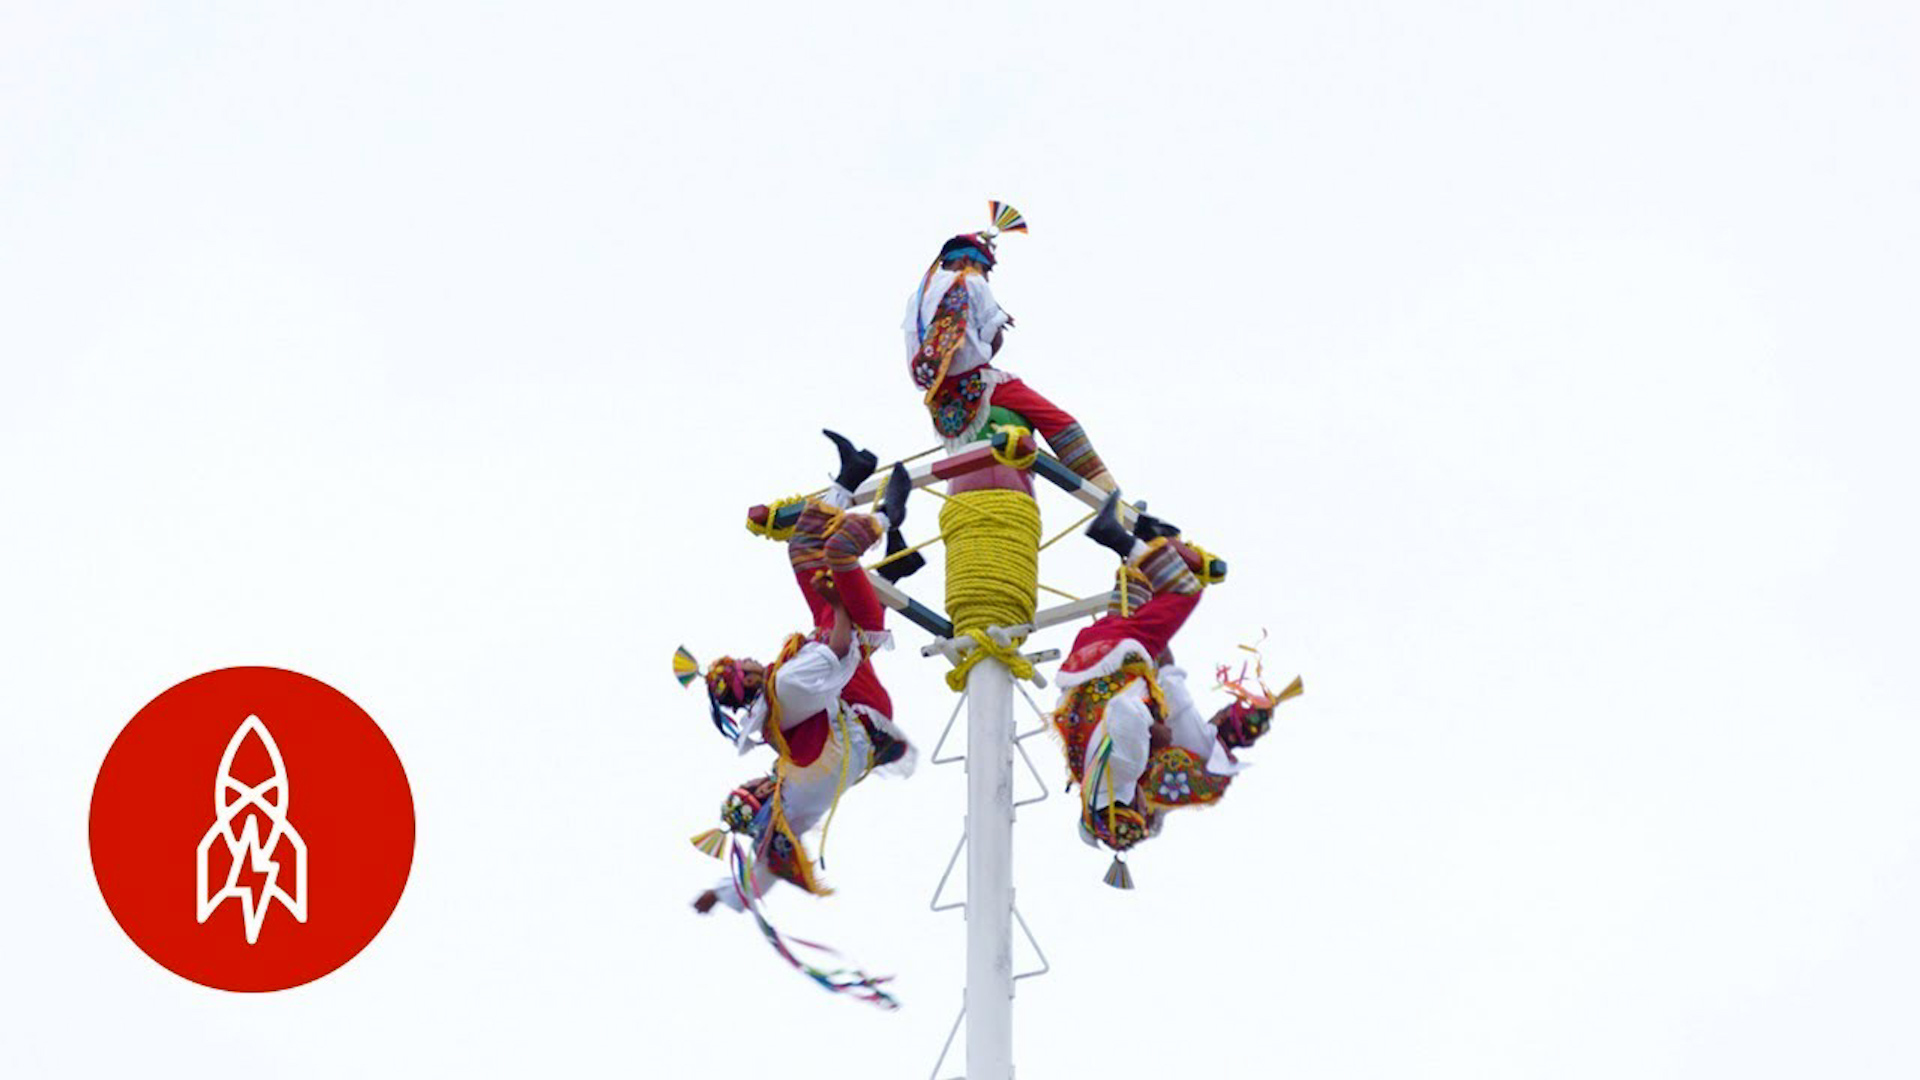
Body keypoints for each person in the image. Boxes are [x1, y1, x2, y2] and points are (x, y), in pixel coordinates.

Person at [684, 433, 917, 913]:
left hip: (839, 675)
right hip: (854, 677)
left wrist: (723, 894)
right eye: (742, 666)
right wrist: (838, 603)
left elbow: (760, 868)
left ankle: (853, 475)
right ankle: (889, 517)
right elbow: (840, 646)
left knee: (803, 547)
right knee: (838, 556)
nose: (749, 660)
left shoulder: (784, 751)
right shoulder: (785, 696)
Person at [1050, 494, 1292, 882]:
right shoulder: (1090, 775)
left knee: (1184, 593)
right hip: (1087, 665)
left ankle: (1121, 539)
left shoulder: (1128, 771)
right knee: (1138, 602)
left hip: (1115, 662)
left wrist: (1154, 728)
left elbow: (1132, 710)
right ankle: (1147, 541)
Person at [904, 205, 1116, 490]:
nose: (987, 276)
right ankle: (1106, 493)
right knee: (1060, 422)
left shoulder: (915, 299)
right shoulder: (972, 281)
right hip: (981, 384)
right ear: (968, 260)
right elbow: (995, 342)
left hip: (942, 400)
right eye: (987, 268)